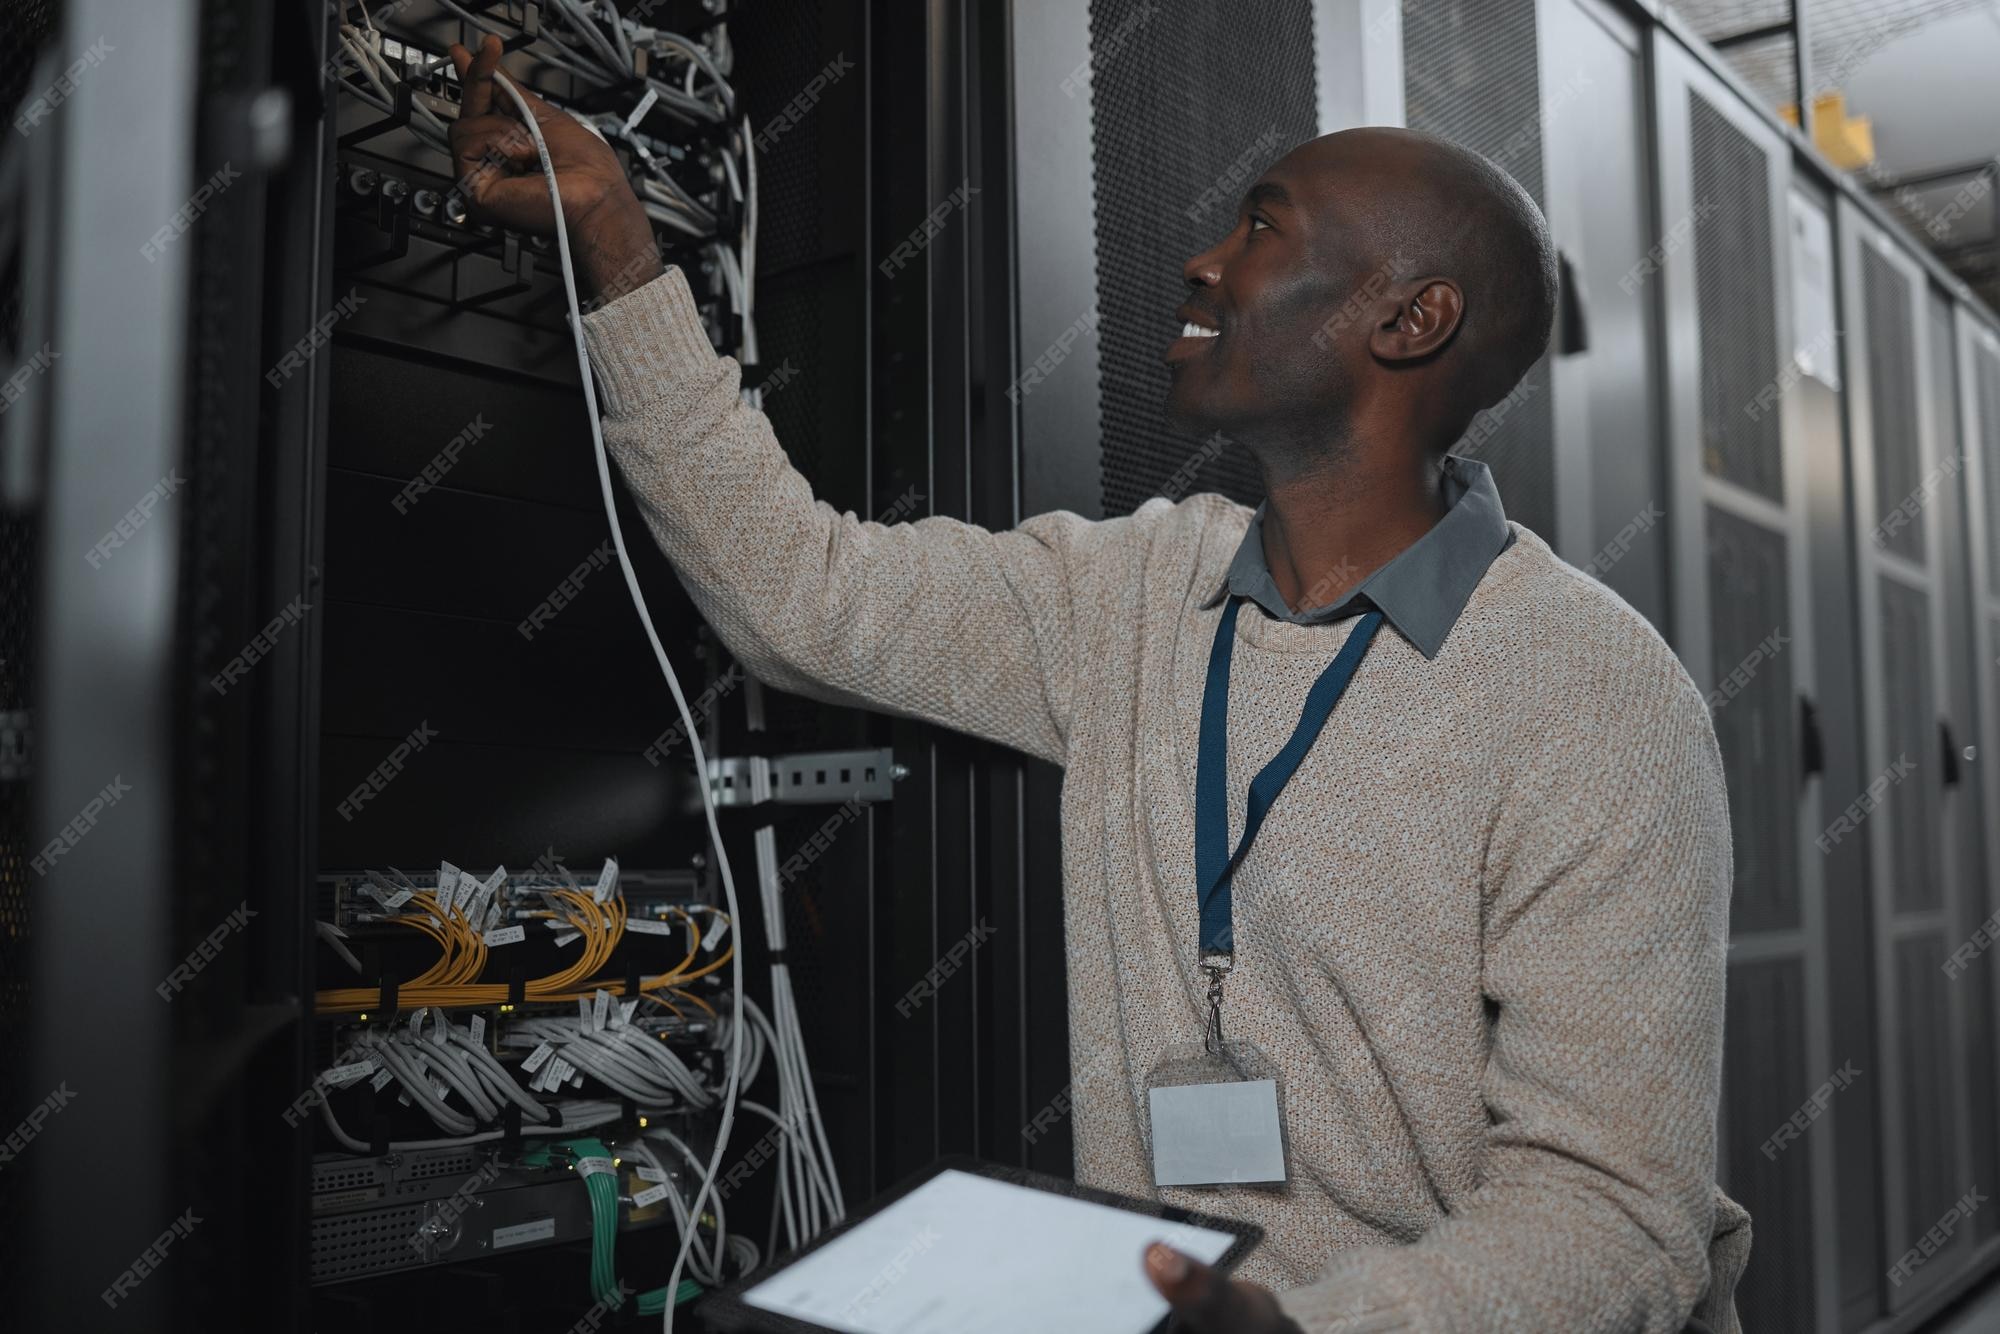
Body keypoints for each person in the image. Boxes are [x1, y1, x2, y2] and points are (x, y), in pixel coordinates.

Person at [446, 33, 1751, 1333]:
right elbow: (804, 592)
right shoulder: (1133, 594)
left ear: (1411, 320)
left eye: (1262, 229)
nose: (1201, 260)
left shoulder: (1596, 696)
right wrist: (617, 247)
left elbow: (1612, 1211)